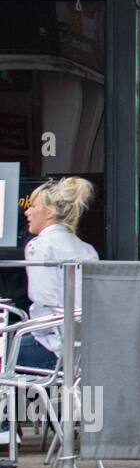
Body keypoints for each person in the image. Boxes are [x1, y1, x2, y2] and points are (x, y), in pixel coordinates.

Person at [3, 177, 99, 445]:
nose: (27, 212)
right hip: (81, 352)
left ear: (50, 212)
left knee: (3, 355)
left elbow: (45, 304)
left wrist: (17, 330)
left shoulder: (39, 247)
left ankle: (3, 427)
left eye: (33, 206)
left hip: (53, 349)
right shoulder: (87, 250)